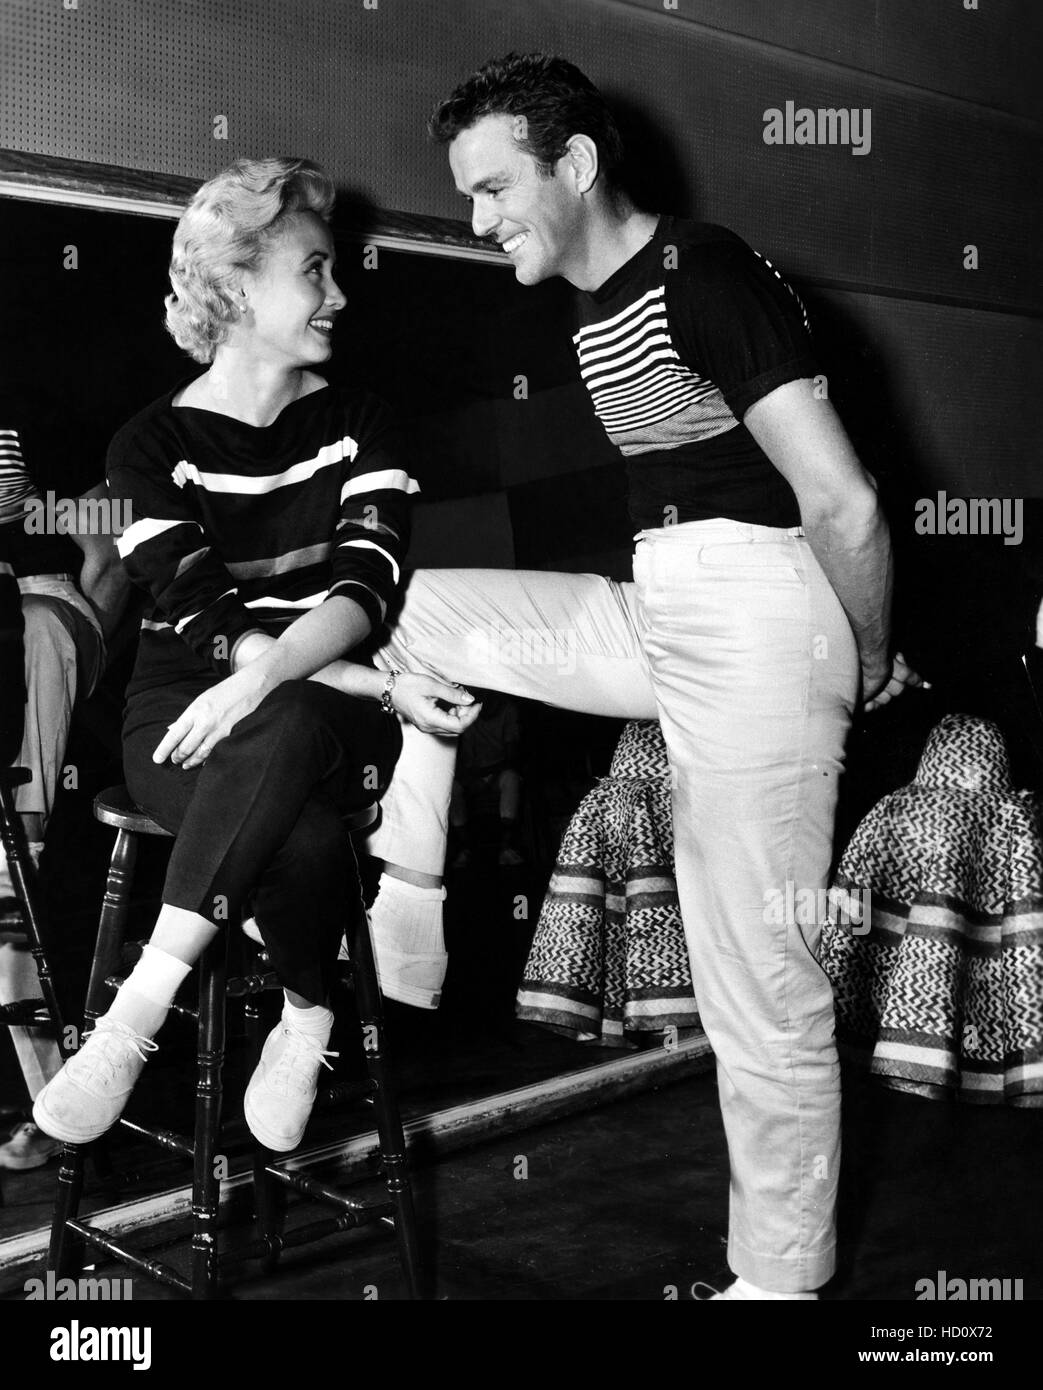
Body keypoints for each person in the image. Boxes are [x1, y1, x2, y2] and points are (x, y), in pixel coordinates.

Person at [362, 54, 922, 1297]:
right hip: (663, 600)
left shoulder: (704, 273)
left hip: (764, 616)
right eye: (464, 196)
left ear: (575, 163)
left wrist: (867, 659)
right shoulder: (587, 304)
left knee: (755, 977)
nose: (476, 219)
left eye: (494, 187)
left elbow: (844, 502)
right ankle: (409, 880)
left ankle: (776, 1282)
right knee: (410, 603)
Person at [32, 156, 474, 1156]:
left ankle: (133, 1016)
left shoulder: (362, 425)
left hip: (323, 697)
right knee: (306, 835)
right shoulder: (145, 448)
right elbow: (198, 609)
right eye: (314, 270)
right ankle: (312, 1012)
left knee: (279, 723)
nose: (338, 292)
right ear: (233, 289)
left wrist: (286, 674)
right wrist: (254, 673)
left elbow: (366, 591)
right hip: (183, 706)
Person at [0, 414, 128, 1170]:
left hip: (45, 611)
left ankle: (22, 840)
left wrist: (99, 651)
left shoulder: (57, 492)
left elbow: (108, 566)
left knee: (36, 622)